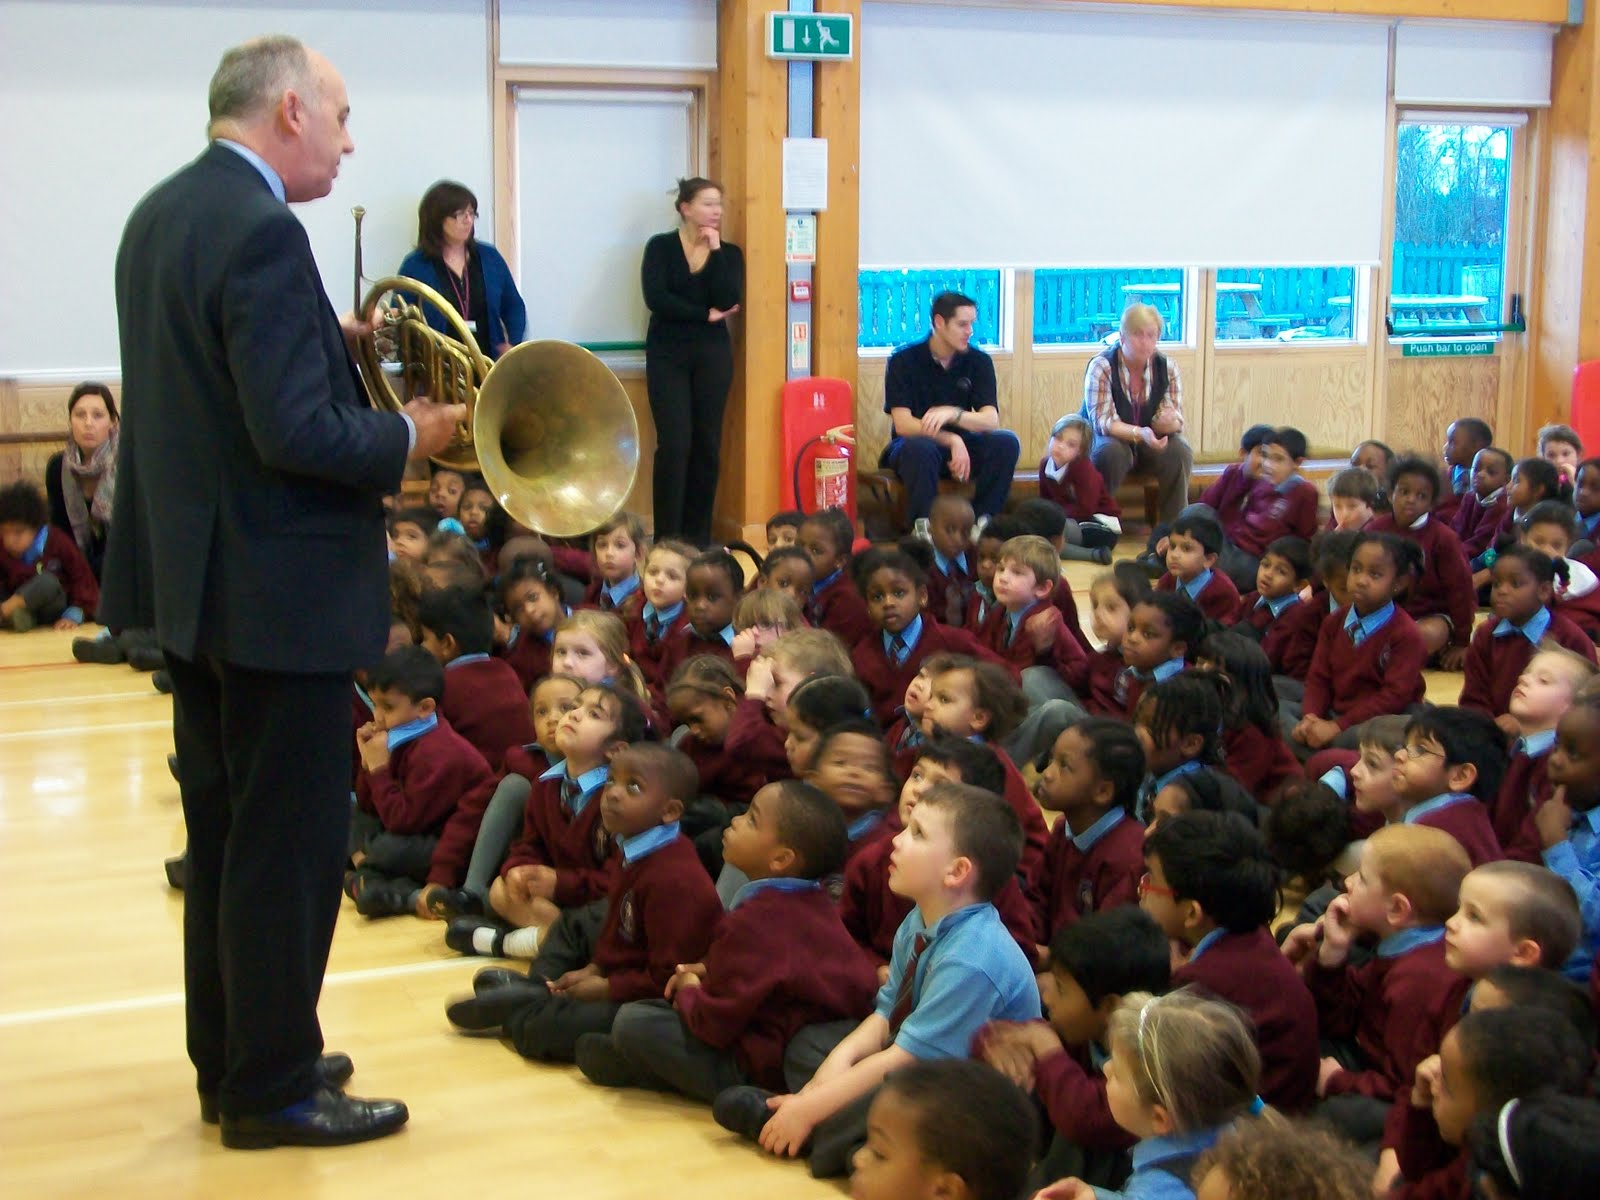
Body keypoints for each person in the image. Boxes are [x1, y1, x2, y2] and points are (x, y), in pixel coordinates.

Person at [103, 35, 464, 1147]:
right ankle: (271, 1090)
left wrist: (330, 339)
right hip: (276, 596)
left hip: (200, 587)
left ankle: (243, 1054)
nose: (352, 143)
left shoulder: (166, 211)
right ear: (293, 111)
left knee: (226, 837)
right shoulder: (262, 230)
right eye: (344, 117)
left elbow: (220, 393)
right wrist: (415, 430)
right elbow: (294, 432)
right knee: (289, 850)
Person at [641, 177, 744, 545]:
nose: (716, 211)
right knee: (674, 443)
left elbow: (729, 298)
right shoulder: (660, 248)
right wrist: (703, 314)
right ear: (685, 208)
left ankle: (698, 537)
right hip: (668, 354)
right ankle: (667, 537)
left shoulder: (729, 253)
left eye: (719, 204)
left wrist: (715, 252)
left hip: (712, 356)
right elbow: (657, 299)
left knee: (707, 444)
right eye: (707, 203)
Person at [882, 291, 1021, 523]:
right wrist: (951, 439)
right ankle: (923, 527)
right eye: (962, 324)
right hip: (914, 447)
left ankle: (981, 521)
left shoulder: (979, 361)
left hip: (964, 448)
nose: (970, 332)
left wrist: (953, 414)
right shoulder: (903, 361)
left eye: (972, 324)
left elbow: (990, 420)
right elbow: (904, 424)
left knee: (1006, 442)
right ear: (939, 322)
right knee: (920, 450)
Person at [1082, 303, 1194, 526]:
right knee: (1111, 452)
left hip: (1148, 439)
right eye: (1137, 335)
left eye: (1150, 335)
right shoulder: (1101, 366)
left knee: (1180, 450)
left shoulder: (1167, 367)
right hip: (1110, 439)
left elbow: (1173, 417)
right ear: (1122, 337)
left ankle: (1174, 530)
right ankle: (1098, 524)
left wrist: (1169, 423)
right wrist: (1140, 433)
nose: (1144, 341)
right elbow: (1102, 422)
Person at [395, 179, 526, 360]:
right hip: (438, 370)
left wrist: (513, 345)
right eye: (459, 214)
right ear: (437, 219)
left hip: (488, 364)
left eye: (472, 213)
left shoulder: (489, 257)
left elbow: (514, 306)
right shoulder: (416, 264)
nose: (468, 220)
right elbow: (400, 318)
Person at [46, 382, 118, 580]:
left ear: (112, 421)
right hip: (74, 567)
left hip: (121, 566)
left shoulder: (127, 465)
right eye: (80, 415)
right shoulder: (58, 467)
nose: (88, 423)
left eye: (97, 415)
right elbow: (60, 531)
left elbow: (132, 535)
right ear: (70, 420)